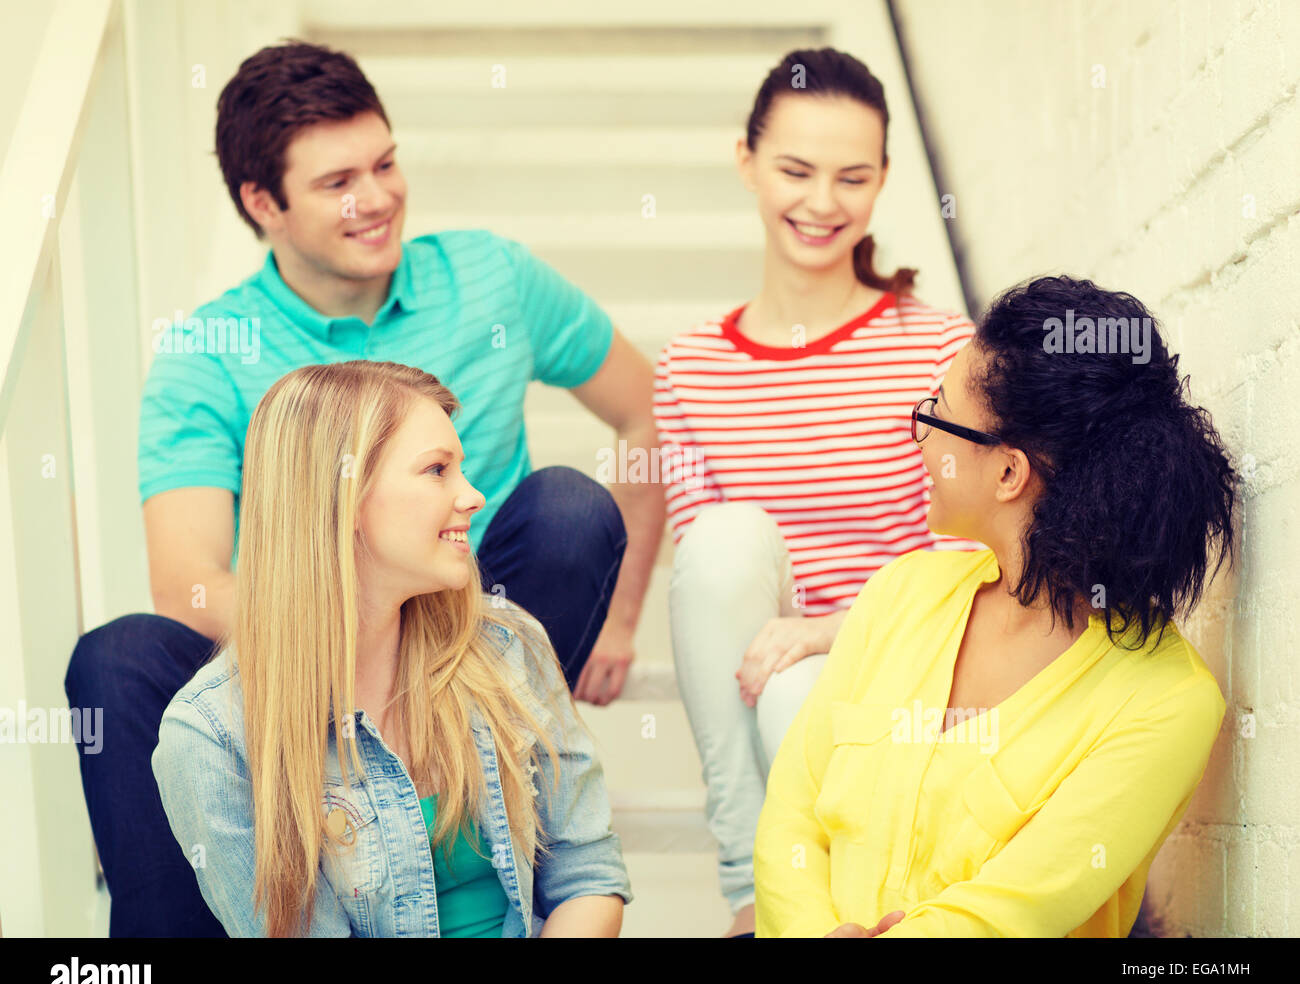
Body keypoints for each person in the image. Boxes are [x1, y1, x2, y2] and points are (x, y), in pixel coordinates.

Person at [65, 39, 663, 937]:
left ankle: (484, 812)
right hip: (294, 658)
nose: (377, 197)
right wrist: (342, 640)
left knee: (572, 508)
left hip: (472, 627)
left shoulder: (492, 276)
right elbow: (188, 581)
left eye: (385, 163)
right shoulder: (208, 351)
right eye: (339, 180)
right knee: (118, 658)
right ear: (261, 203)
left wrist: (618, 621)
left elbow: (651, 411)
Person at [754, 275, 1236, 937]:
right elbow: (791, 817)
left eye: (938, 414)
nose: (920, 438)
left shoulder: (1166, 703)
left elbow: (1007, 915)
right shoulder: (901, 593)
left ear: (1009, 473)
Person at [654, 47, 981, 937]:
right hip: (765, 671)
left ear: (882, 183)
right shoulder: (690, 367)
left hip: (903, 664)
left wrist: (836, 632)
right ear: (747, 162)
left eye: (854, 177)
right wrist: (795, 643)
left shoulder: (940, 347)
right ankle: (754, 893)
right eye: (796, 170)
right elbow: (707, 586)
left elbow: (970, 564)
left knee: (805, 692)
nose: (823, 203)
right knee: (722, 544)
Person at [151, 361, 631, 936]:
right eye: (437, 470)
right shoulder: (211, 737)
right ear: (343, 498)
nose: (473, 496)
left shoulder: (509, 643)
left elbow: (587, 874)